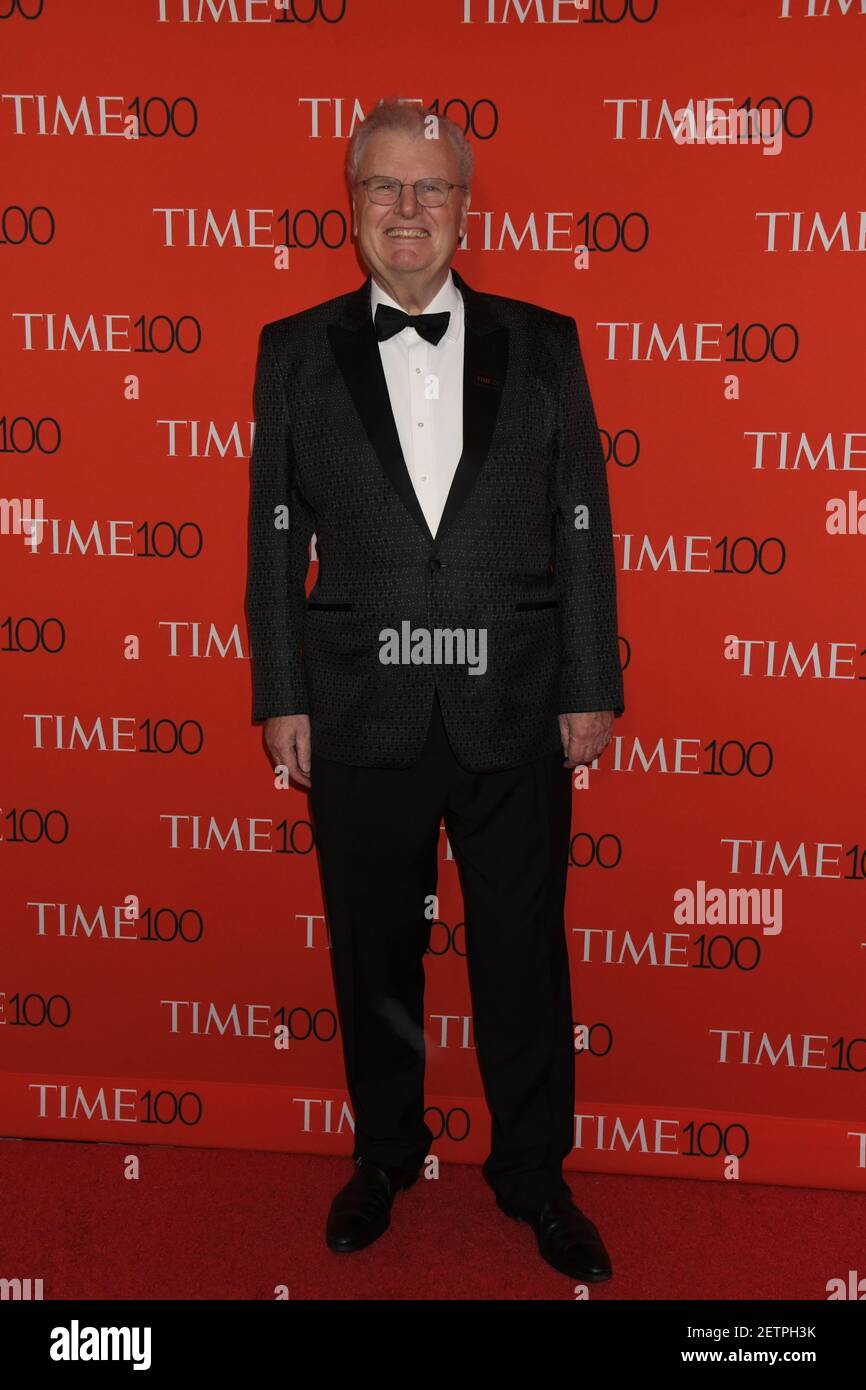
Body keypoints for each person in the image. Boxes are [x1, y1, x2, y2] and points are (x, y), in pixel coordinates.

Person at [244, 97, 624, 1282]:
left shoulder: (545, 339)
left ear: (464, 205)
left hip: (513, 696)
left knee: (520, 948)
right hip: (359, 701)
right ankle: (384, 1154)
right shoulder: (292, 348)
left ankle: (532, 1172)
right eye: (384, 188)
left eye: (431, 188)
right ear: (350, 202)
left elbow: (584, 521)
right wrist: (282, 689)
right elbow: (271, 535)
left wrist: (589, 675)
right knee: (373, 953)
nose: (407, 210)